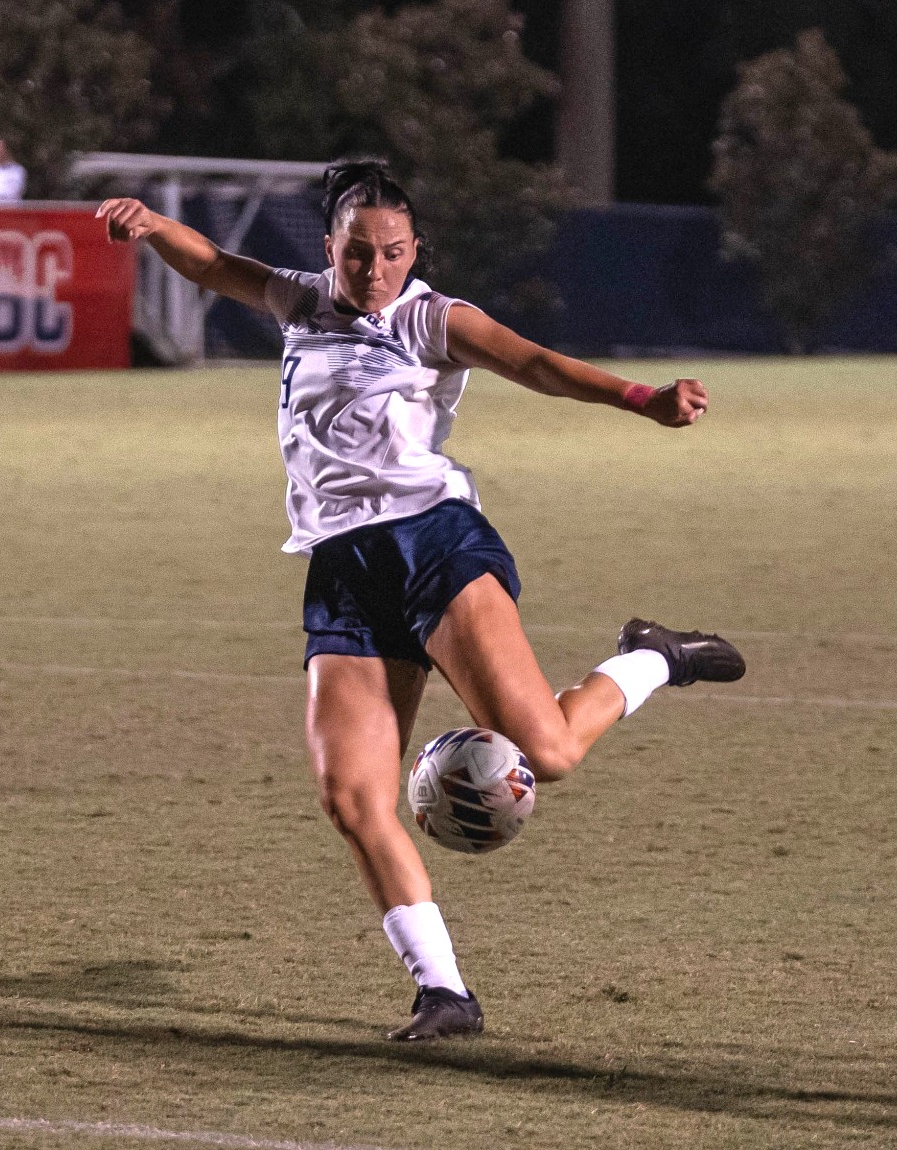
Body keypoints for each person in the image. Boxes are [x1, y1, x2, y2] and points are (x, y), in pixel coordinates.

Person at [96, 160, 747, 1042]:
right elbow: (214, 265)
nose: (374, 271)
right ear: (329, 248)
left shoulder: (430, 318)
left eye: (392, 253)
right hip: (340, 570)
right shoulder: (301, 300)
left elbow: (539, 365)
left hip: (432, 543)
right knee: (352, 796)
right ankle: (444, 992)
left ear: (414, 253)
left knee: (546, 753)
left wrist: (646, 399)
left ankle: (651, 656)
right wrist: (148, 225)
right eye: (357, 254)